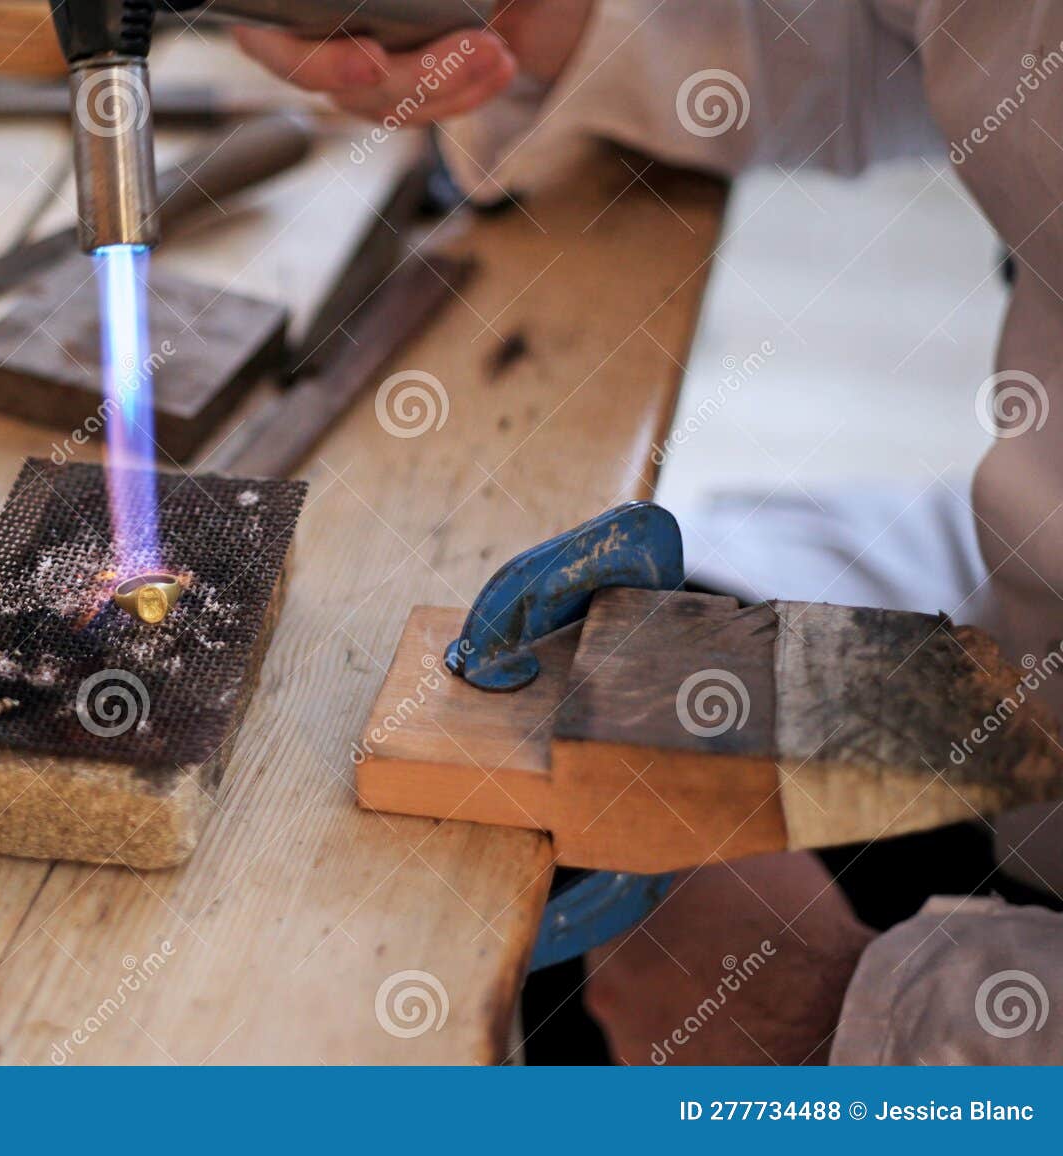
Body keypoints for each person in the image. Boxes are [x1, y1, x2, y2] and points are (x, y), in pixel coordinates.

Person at [235, 0, 1063, 1064]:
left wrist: (821, 1015)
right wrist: (564, 23)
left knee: (430, 1007)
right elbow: (933, 39)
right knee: (583, 688)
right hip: (1012, 611)